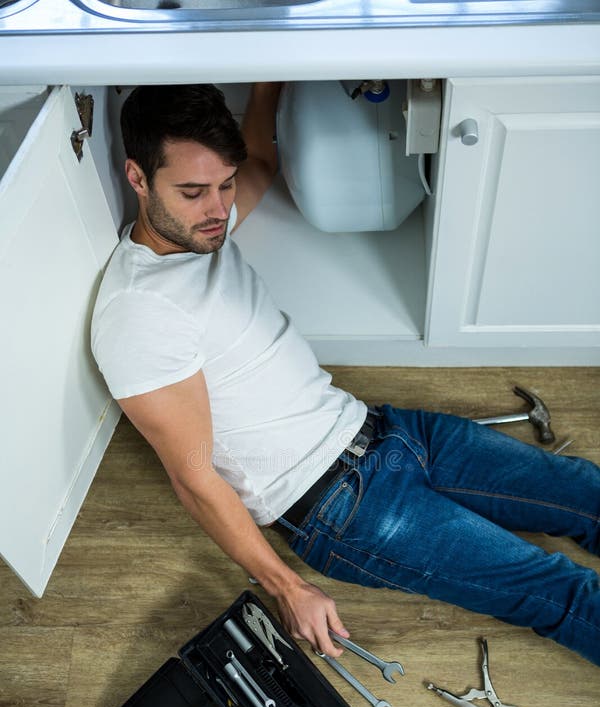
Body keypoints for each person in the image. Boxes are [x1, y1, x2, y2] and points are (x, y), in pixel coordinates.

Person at [91, 83, 600, 667]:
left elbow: (261, 163)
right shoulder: (139, 315)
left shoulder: (200, 229)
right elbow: (194, 478)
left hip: (388, 432)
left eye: (224, 185)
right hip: (342, 510)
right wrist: (286, 587)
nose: (217, 208)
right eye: (192, 191)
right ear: (137, 177)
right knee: (559, 589)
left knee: (584, 491)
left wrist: (268, 85)